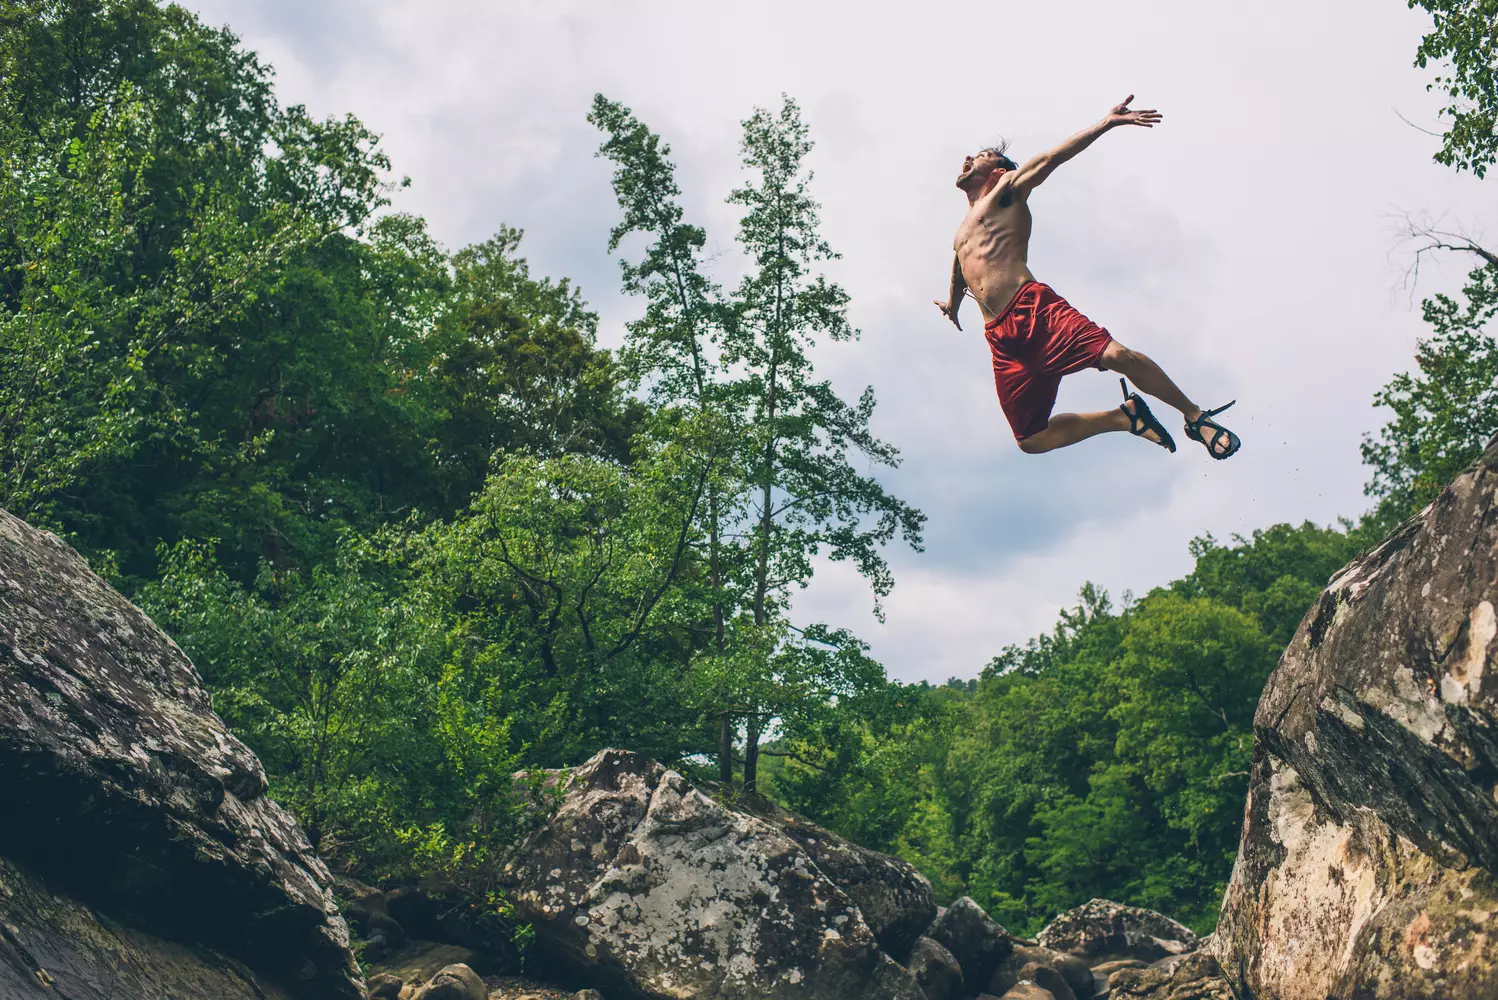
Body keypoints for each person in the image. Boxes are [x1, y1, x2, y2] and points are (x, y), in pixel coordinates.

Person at [934, 96, 1239, 459]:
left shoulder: (1006, 191)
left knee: (1118, 356)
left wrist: (1106, 123)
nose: (970, 158)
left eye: (981, 157)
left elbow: (1050, 159)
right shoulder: (962, 228)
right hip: (1002, 340)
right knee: (1030, 440)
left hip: (1033, 311)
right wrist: (953, 303)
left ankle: (1194, 417)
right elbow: (959, 263)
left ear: (998, 172)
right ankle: (1124, 418)